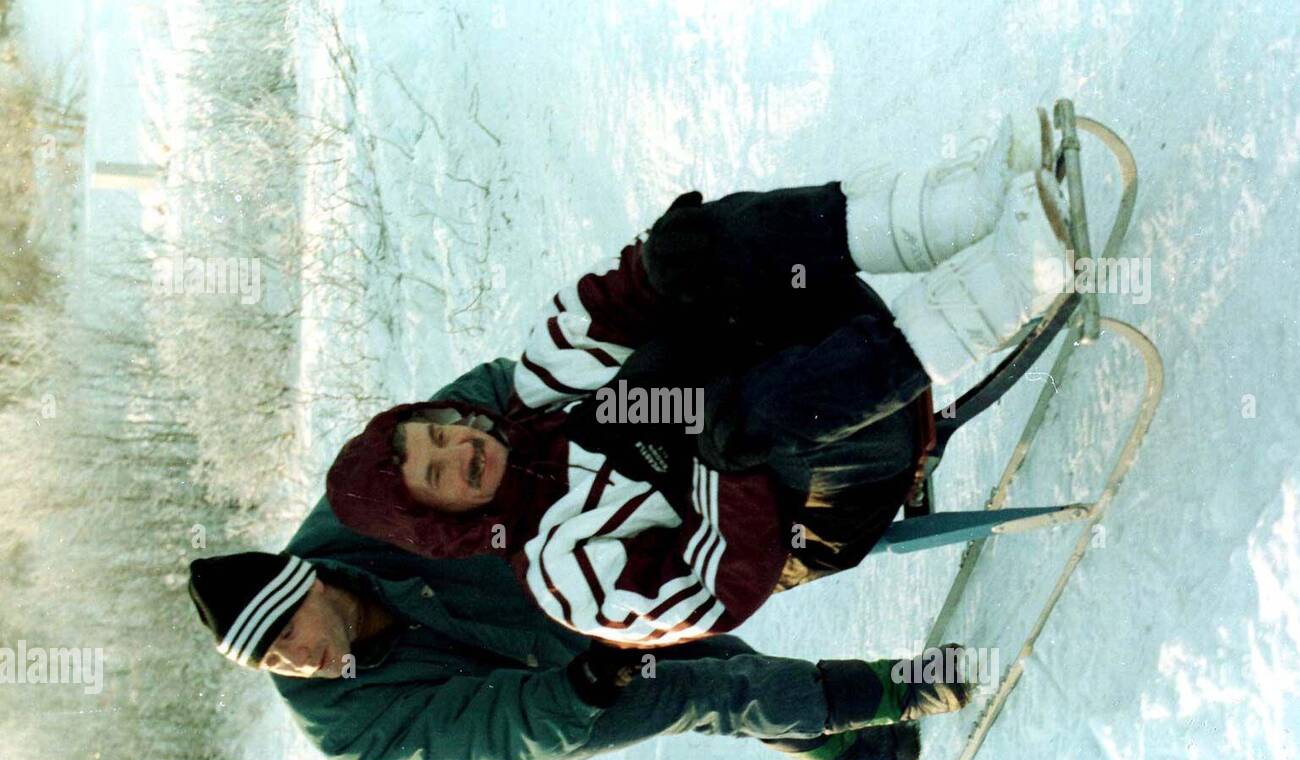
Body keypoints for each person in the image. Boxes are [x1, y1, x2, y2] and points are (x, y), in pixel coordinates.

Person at [323, 108, 1069, 648]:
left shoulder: (544, 372)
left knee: (705, 250)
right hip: (824, 491)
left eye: (436, 432)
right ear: (438, 520)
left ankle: (962, 207)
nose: (457, 450)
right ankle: (1007, 285)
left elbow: (620, 294)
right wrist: (720, 461)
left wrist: (659, 261)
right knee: (713, 417)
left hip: (825, 345)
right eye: (435, 472)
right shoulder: (562, 573)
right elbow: (719, 594)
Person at [183, 357, 972, 760]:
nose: (294, 661)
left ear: (307, 581)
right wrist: (585, 687)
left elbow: (485, 400)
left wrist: (581, 414)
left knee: (721, 656)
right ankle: (898, 689)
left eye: (283, 632)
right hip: (554, 701)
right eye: (269, 659)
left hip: (571, 579)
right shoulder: (339, 723)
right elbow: (484, 731)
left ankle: (835, 749)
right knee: (704, 688)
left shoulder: (365, 509)